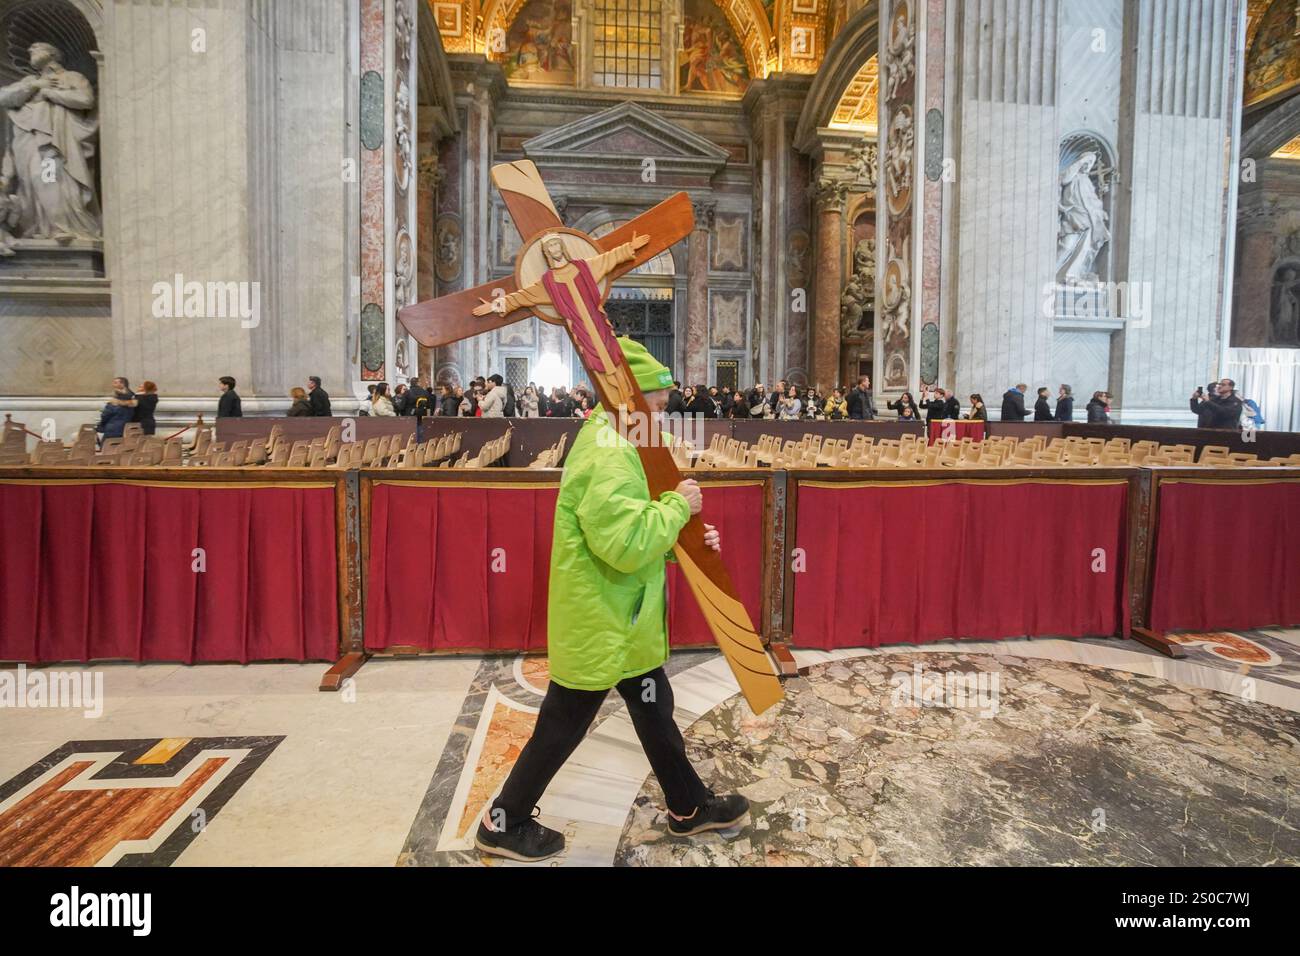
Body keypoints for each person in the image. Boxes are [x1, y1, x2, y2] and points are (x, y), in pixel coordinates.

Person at [474, 338, 748, 862]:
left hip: (624, 620)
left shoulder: (625, 440)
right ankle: (501, 822)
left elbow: (634, 533)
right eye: (659, 404)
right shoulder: (609, 449)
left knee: (654, 710)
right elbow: (623, 544)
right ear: (631, 399)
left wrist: (681, 541)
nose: (666, 413)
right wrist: (677, 507)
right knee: (562, 725)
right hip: (603, 620)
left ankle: (688, 806)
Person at [97, 377, 135, 441]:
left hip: (114, 428)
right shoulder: (133, 396)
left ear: (122, 384)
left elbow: (106, 414)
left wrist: (101, 424)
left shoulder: (119, 398)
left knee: (106, 447)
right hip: (128, 427)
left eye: (115, 383)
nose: (113, 385)